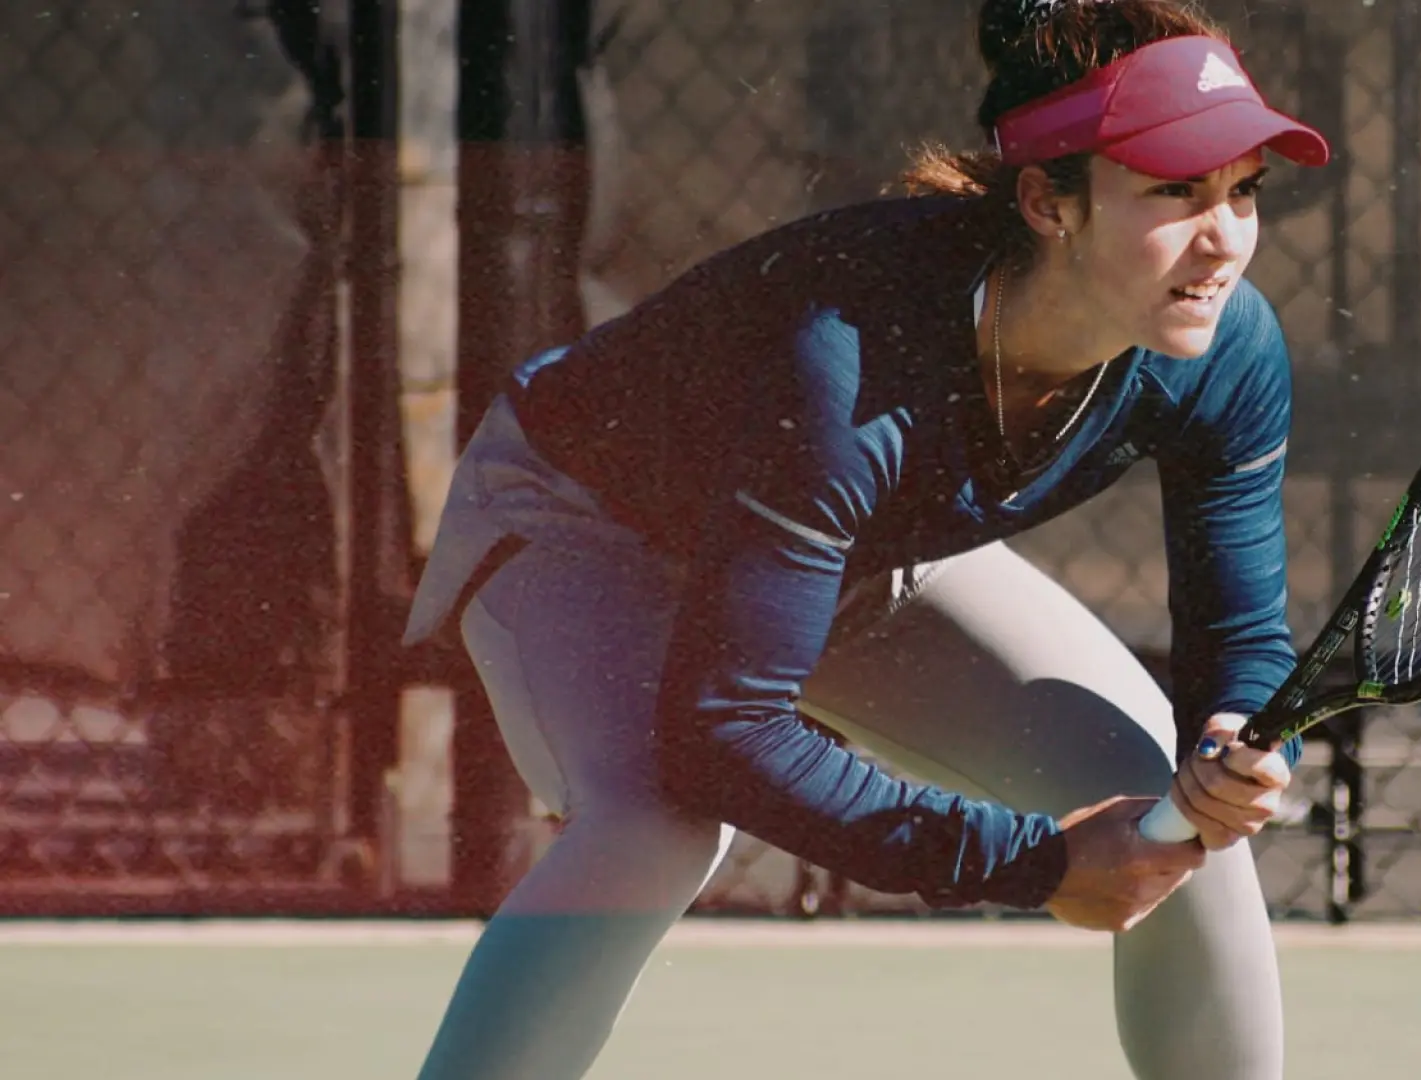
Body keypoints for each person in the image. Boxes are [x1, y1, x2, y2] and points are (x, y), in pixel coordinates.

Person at [400, 0, 1331, 1076]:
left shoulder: (1227, 351)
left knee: (1174, 809)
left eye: (1243, 191)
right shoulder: (849, 363)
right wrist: (1032, 863)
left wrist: (1236, 745)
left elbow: (1242, 638)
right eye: (1175, 191)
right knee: (652, 827)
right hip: (583, 526)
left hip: (853, 556)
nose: (1225, 239)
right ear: (1048, 202)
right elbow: (726, 732)